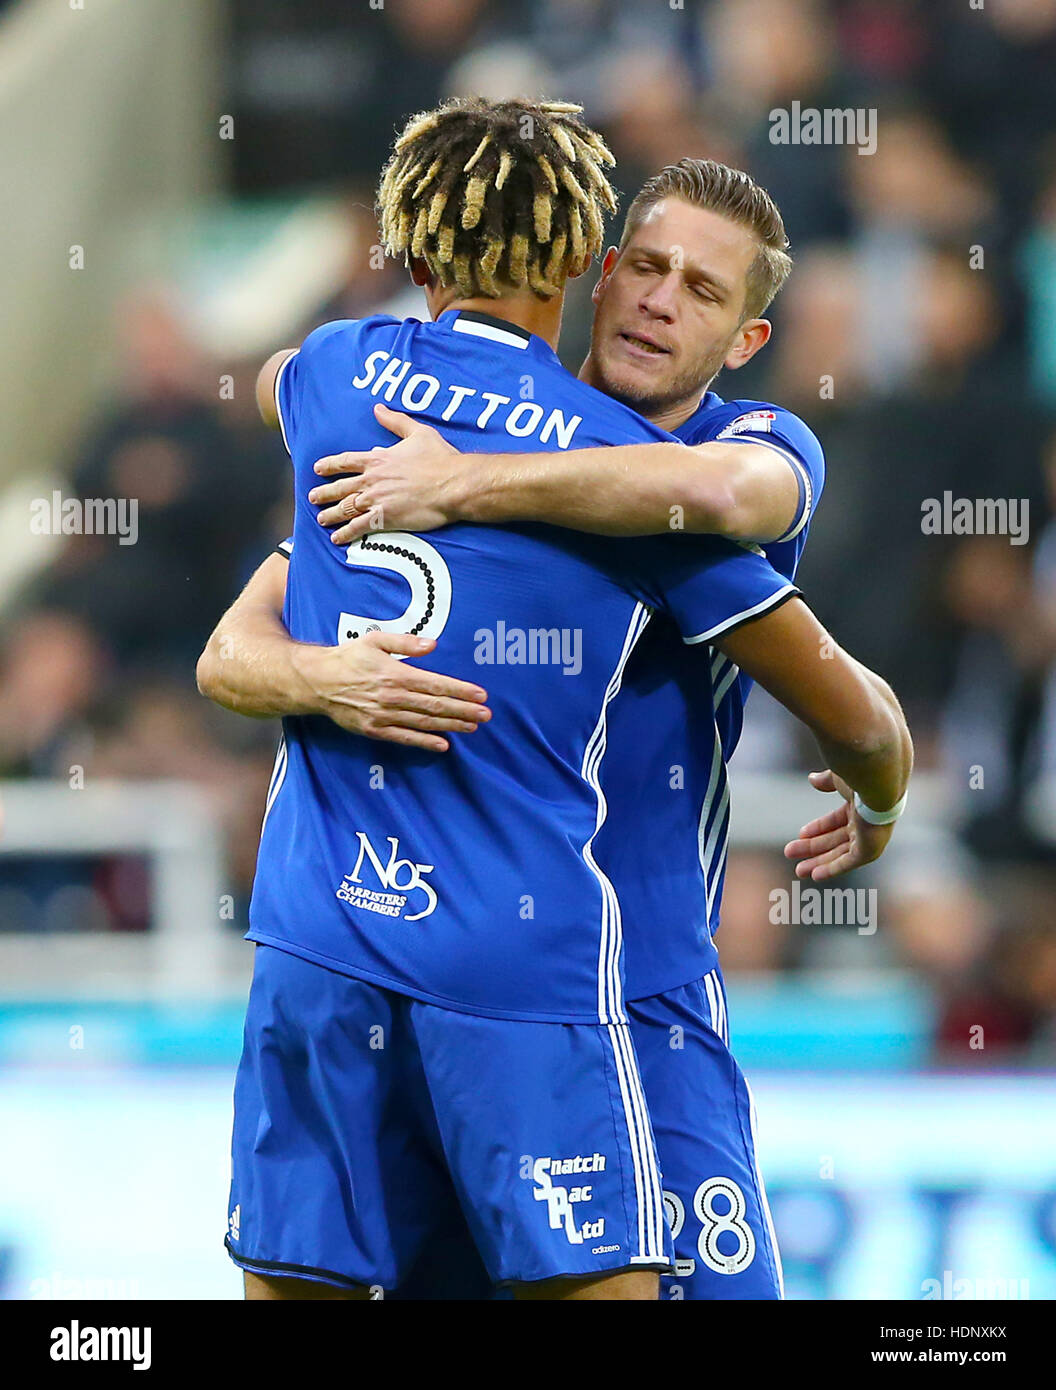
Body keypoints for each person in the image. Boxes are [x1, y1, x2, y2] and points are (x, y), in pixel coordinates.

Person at [199, 132, 912, 1300]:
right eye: (646, 265)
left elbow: (721, 506)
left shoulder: (725, 458)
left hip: (636, 992)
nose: (657, 302)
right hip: (495, 981)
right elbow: (233, 646)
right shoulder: (434, 443)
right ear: (594, 260)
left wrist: (460, 479)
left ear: (747, 340)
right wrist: (331, 678)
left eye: (703, 290)